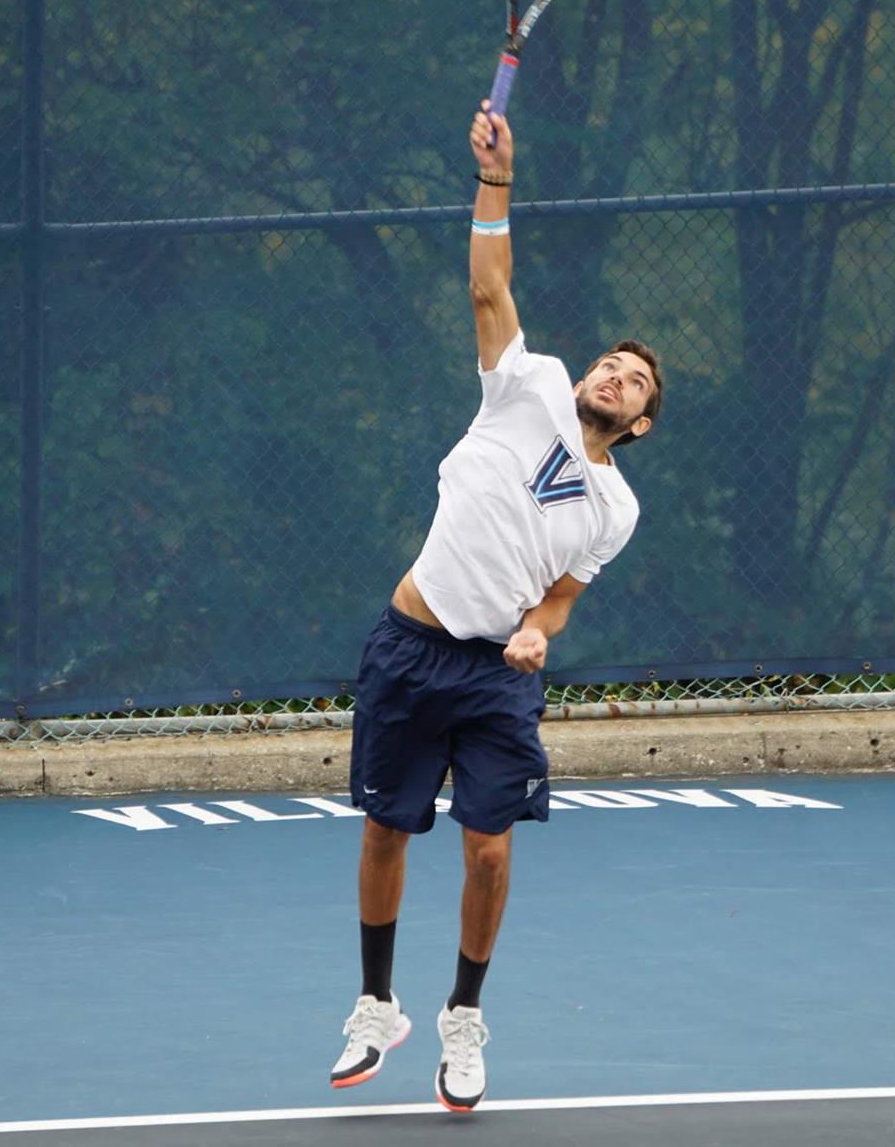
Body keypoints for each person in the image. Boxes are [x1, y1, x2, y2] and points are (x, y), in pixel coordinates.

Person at [328, 103, 664, 1111]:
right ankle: (376, 1001)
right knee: (385, 830)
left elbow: (558, 600)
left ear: (639, 422)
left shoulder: (616, 505)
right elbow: (486, 282)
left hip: (491, 680)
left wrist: (534, 629)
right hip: (407, 644)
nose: (613, 371)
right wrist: (496, 179)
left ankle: (462, 1014)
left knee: (486, 848)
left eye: (634, 379)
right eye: (613, 358)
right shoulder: (526, 386)